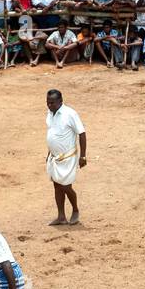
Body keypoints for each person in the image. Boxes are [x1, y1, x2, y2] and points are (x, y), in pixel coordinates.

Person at [45, 90, 86, 226]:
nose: (49, 105)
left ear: (60, 101)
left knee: (66, 186)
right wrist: (49, 153)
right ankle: (61, 216)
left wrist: (83, 156)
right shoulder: (50, 114)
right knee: (57, 185)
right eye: (48, 102)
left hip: (68, 157)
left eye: (52, 103)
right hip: (54, 157)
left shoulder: (70, 114)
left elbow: (82, 133)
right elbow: (52, 134)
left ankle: (75, 209)